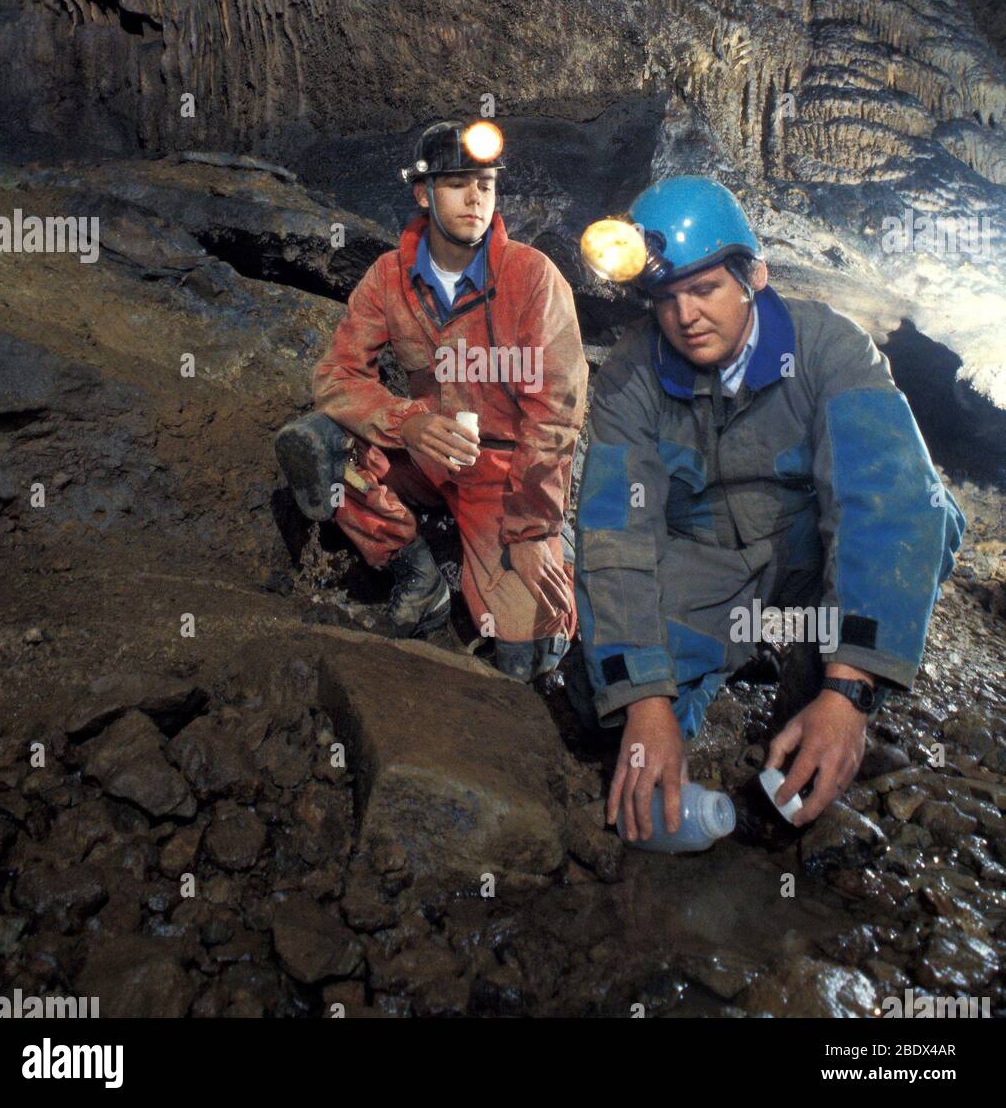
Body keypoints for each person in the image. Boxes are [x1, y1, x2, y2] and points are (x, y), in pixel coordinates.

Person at [572, 175, 965, 841]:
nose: (685, 315)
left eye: (703, 289)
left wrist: (850, 690)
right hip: (711, 562)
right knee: (598, 703)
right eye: (666, 298)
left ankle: (814, 678)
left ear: (753, 274)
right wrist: (644, 700)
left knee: (926, 514)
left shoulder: (828, 348)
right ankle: (723, 668)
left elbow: (883, 504)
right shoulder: (631, 376)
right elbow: (617, 532)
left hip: (808, 555)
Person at [276, 120, 588, 681]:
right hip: (428, 451)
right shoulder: (389, 277)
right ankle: (416, 571)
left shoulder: (531, 277)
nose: (476, 198)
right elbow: (337, 374)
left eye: (486, 185)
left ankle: (557, 555)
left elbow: (555, 415)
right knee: (316, 445)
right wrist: (406, 423)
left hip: (503, 473)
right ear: (423, 194)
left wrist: (533, 528)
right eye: (457, 183)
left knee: (527, 654)